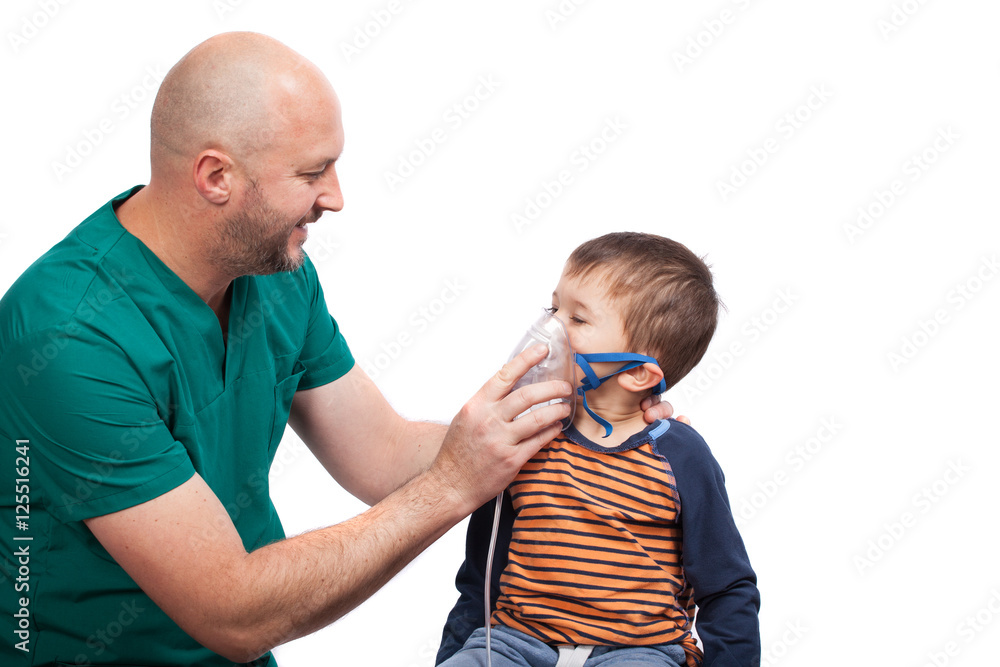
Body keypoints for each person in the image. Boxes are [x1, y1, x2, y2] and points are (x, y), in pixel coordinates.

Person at [0, 33, 676, 666]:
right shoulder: (65, 335)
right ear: (215, 177)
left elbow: (382, 453)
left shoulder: (275, 275)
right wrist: (452, 485)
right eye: (312, 172)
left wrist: (563, 430)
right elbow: (231, 612)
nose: (336, 197)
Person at [436, 233, 760, 667]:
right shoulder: (525, 440)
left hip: (639, 652)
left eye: (578, 319)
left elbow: (726, 586)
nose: (551, 329)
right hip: (516, 643)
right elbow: (481, 574)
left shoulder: (681, 457)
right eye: (554, 309)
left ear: (638, 375)